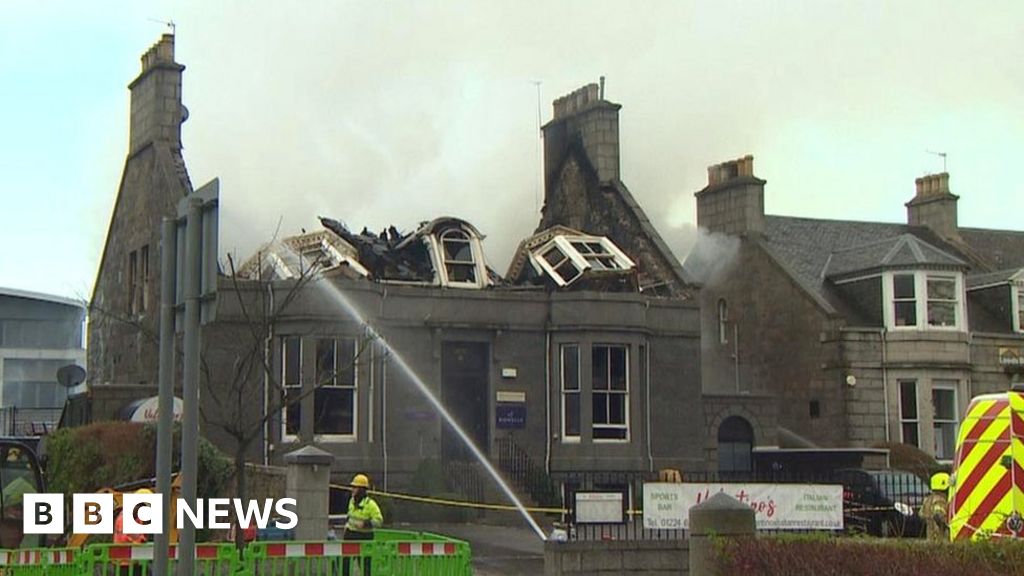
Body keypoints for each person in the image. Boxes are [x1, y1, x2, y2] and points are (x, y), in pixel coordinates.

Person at [342, 473, 383, 576]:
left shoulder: (370, 505)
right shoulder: (351, 501)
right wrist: (347, 526)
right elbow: (349, 516)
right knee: (345, 563)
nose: (352, 490)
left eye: (355, 487)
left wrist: (365, 524)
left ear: (361, 490)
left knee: (365, 565)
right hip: (350, 535)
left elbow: (379, 521)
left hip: (365, 537)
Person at [114, 488, 152, 575]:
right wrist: (138, 544)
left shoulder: (138, 518)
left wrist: (142, 541)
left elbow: (139, 535)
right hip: (124, 561)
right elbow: (124, 537)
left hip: (135, 560)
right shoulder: (124, 517)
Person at [920, 472, 950, 541]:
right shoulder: (940, 500)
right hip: (940, 539)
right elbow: (938, 515)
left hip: (930, 537)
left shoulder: (927, 499)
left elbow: (921, 514)